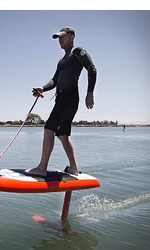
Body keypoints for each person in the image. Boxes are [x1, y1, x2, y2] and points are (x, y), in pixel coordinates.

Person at [25, 26, 97, 176]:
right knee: (62, 134)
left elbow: (92, 68)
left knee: (49, 128)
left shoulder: (77, 51)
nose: (60, 40)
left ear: (72, 37)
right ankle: (74, 169)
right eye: (59, 38)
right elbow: (55, 80)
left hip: (69, 96)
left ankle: (42, 168)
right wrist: (42, 88)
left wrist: (90, 92)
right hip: (62, 97)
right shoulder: (61, 60)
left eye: (63, 36)